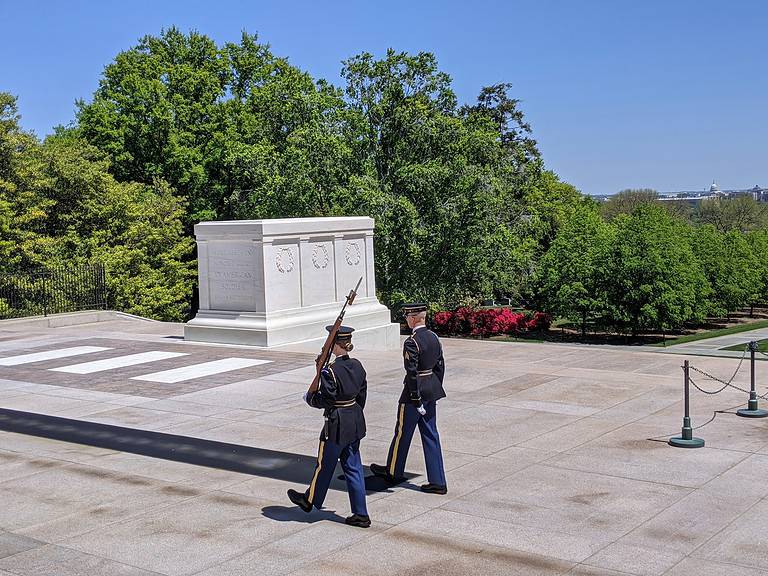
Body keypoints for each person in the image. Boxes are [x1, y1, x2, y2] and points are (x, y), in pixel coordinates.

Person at [287, 326, 371, 528]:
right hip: (354, 421)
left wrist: (310, 399)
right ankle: (361, 513)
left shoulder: (330, 371)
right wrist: (353, 413)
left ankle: (310, 500)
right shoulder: (357, 365)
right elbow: (362, 394)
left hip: (336, 425)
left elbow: (327, 399)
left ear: (334, 345)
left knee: (325, 465)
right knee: (353, 468)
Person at [370, 302, 447, 494]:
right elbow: (440, 366)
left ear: (413, 318)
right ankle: (438, 481)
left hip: (415, 395)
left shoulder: (412, 342)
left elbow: (412, 372)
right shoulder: (434, 337)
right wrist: (434, 387)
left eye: (407, 317)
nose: (407, 320)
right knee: (431, 434)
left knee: (402, 433)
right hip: (431, 390)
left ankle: (394, 471)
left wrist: (415, 397)